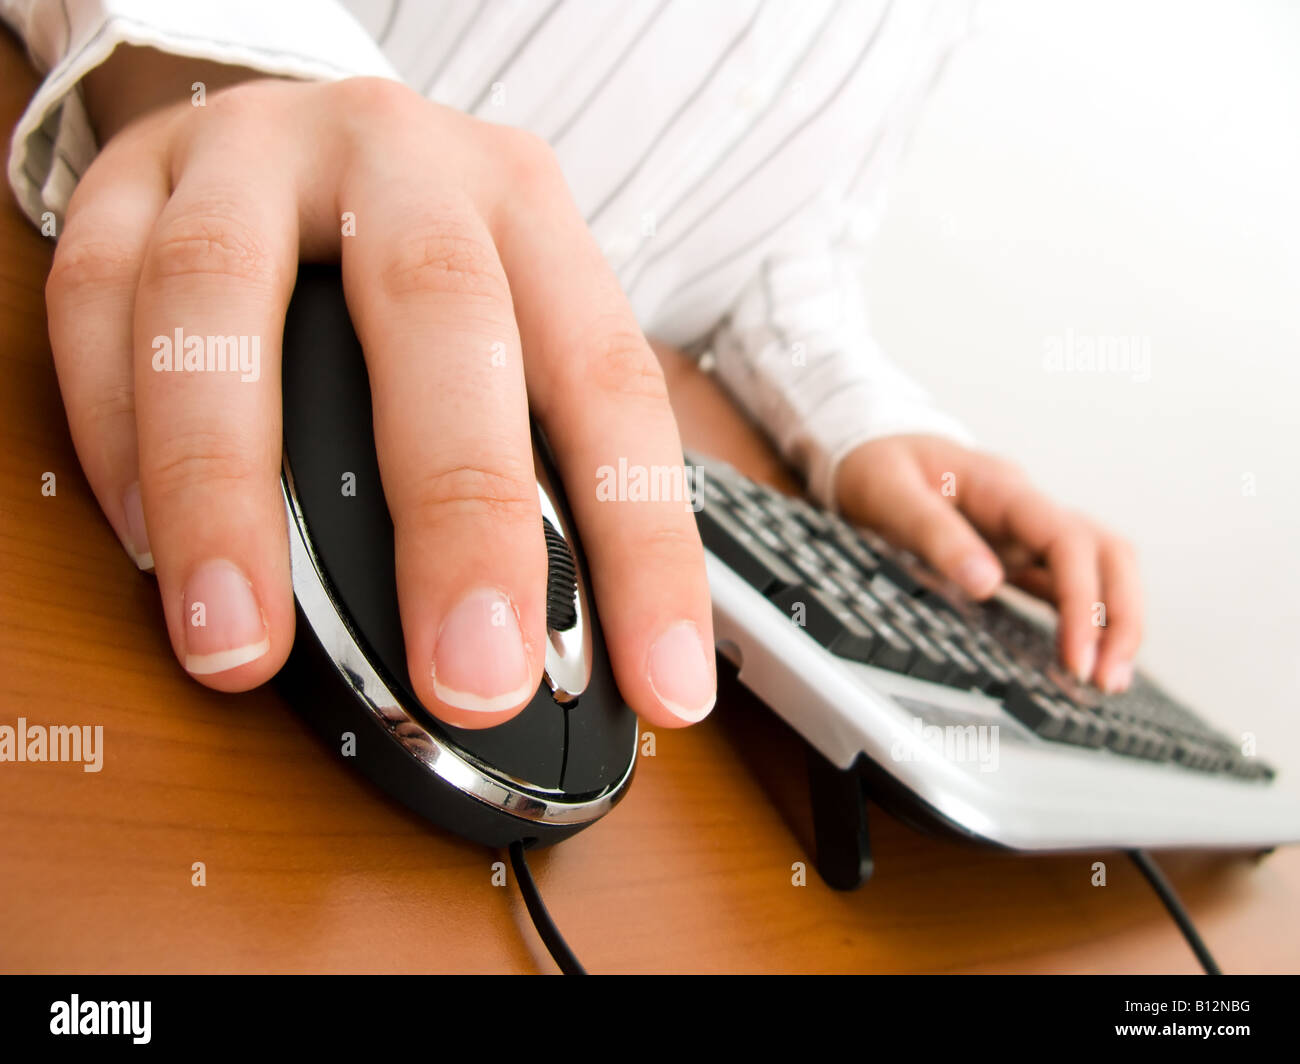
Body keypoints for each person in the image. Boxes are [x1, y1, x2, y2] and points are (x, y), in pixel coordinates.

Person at [1, 0, 1141, 732]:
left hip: (553, 496)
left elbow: (790, 246)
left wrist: (864, 421)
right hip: (219, 271)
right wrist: (229, 72)